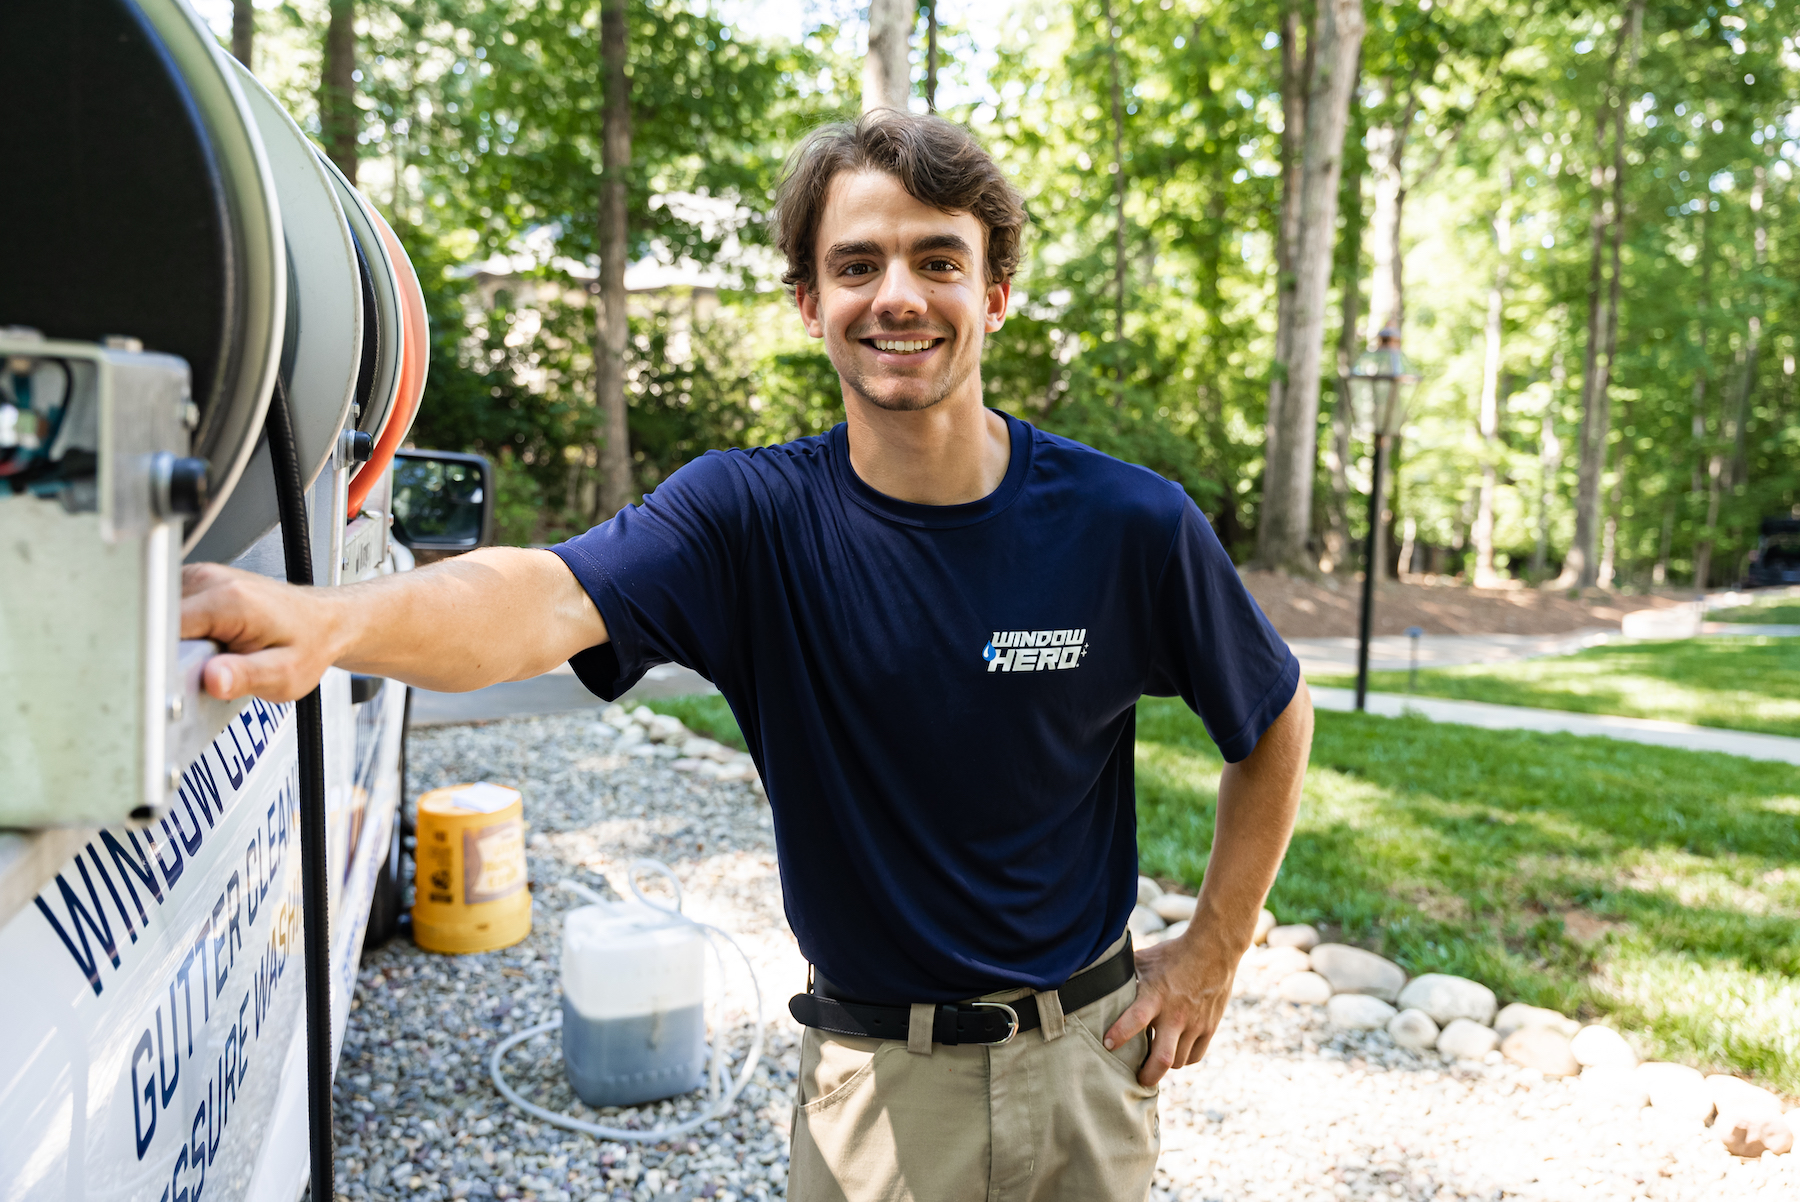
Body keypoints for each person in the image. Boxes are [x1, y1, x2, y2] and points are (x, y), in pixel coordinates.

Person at [181, 110, 1313, 1202]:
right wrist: (334, 616)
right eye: (859, 264)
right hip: (877, 1089)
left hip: (1085, 1069)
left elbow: (1272, 716)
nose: (899, 296)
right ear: (810, 300)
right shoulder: (748, 519)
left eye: (938, 260)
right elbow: (535, 598)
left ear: (996, 292)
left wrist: (1213, 949)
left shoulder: (1127, 524)